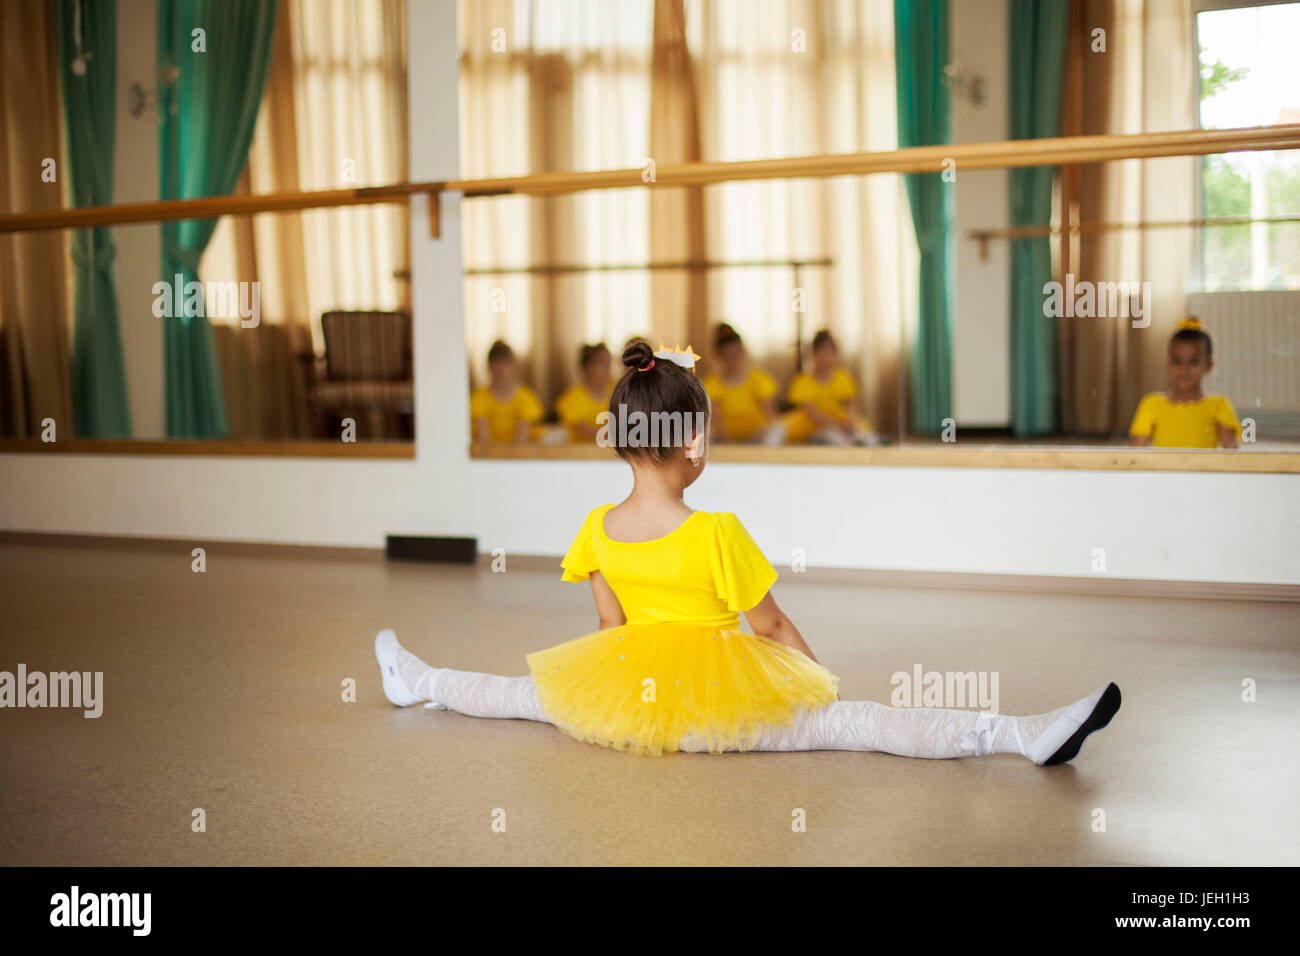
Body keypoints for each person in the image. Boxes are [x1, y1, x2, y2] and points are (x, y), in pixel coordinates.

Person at [378, 340, 1120, 762]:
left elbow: (611, 633)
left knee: (520, 696)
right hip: (718, 711)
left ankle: (420, 681)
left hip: (631, 706)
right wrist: (818, 683)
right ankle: (1019, 736)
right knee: (858, 721)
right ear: (693, 443)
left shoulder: (596, 528)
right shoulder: (715, 531)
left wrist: (608, 694)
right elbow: (767, 628)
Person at [1129, 318, 1241, 449]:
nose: (1184, 369)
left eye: (1193, 362)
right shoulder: (1151, 403)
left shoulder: (1219, 405)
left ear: (1209, 365)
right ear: (1167, 363)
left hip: (1203, 469)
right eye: (1177, 361)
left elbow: (1231, 455)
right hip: (1164, 470)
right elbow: (1135, 454)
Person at [781, 330, 877, 445]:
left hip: (840, 423)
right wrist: (837, 425)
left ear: (836, 355)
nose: (826, 358)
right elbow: (811, 412)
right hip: (813, 426)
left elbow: (852, 403)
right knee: (832, 438)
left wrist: (850, 420)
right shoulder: (803, 381)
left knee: (862, 433)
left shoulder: (842, 378)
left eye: (830, 353)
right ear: (813, 355)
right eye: (821, 353)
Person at [701, 323, 783, 444]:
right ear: (719, 358)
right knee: (704, 433)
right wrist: (731, 444)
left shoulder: (758, 379)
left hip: (755, 436)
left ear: (743, 353)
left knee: (777, 428)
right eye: (728, 356)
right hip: (726, 438)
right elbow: (716, 420)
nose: (733, 361)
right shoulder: (712, 385)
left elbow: (770, 414)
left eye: (736, 355)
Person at [469, 340, 544, 443]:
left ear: (515, 367)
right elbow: (483, 442)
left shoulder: (526, 397)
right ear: (489, 367)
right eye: (496, 363)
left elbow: (521, 442)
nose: (501, 369)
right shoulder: (479, 397)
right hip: (489, 457)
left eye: (506, 363)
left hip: (515, 457)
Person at [555, 342, 614, 442]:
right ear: (588, 368)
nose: (608, 370)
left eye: (609, 364)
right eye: (603, 365)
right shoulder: (573, 398)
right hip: (581, 454)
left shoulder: (617, 390)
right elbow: (586, 432)